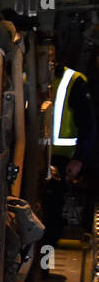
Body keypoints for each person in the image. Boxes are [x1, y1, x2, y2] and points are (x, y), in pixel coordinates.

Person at [43, 46, 97, 251]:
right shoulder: (23, 77)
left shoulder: (73, 81)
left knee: (52, 212)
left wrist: (79, 159)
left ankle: (45, 263)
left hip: (61, 159)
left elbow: (88, 124)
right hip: (34, 156)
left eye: (49, 56)